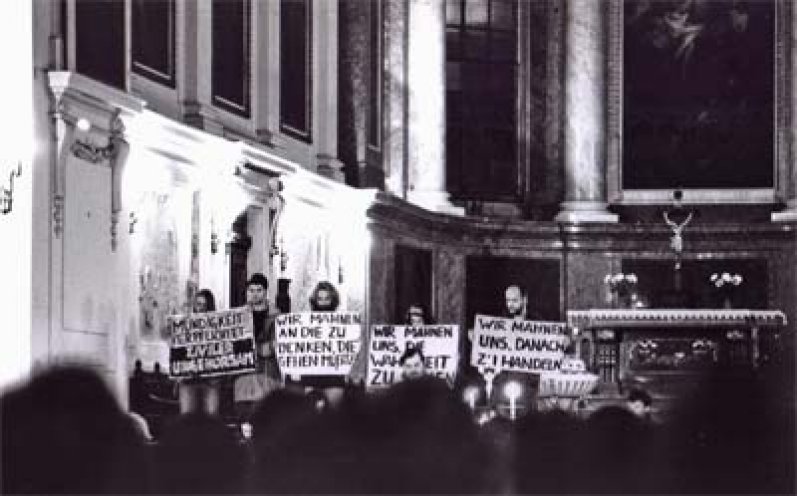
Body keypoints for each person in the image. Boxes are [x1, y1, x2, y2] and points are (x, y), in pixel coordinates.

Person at [234, 273, 280, 419]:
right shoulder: (238, 316)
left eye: (258, 290)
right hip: (244, 376)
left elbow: (279, 344)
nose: (254, 294)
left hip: (268, 373)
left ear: (266, 292)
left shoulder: (277, 316)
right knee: (244, 416)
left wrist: (269, 347)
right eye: (251, 290)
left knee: (267, 416)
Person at [178, 288, 221, 416]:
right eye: (197, 304)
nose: (200, 308)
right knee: (187, 420)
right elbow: (179, 351)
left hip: (210, 380)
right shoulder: (186, 325)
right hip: (188, 378)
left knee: (210, 419)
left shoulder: (219, 327)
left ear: (210, 307)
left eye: (204, 305)